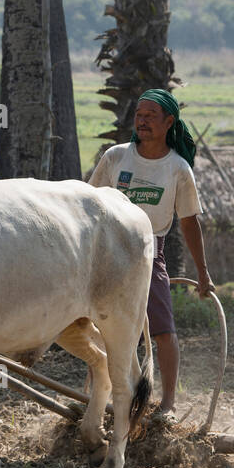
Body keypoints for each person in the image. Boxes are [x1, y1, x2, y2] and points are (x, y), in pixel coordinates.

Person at [87, 89, 216, 423]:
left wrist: (203, 273)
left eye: (150, 116)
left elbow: (189, 222)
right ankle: (96, 398)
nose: (142, 122)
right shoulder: (115, 157)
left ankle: (168, 403)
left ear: (169, 122)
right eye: (138, 115)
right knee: (97, 328)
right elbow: (88, 204)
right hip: (105, 252)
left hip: (147, 253)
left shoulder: (177, 168)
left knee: (161, 329)